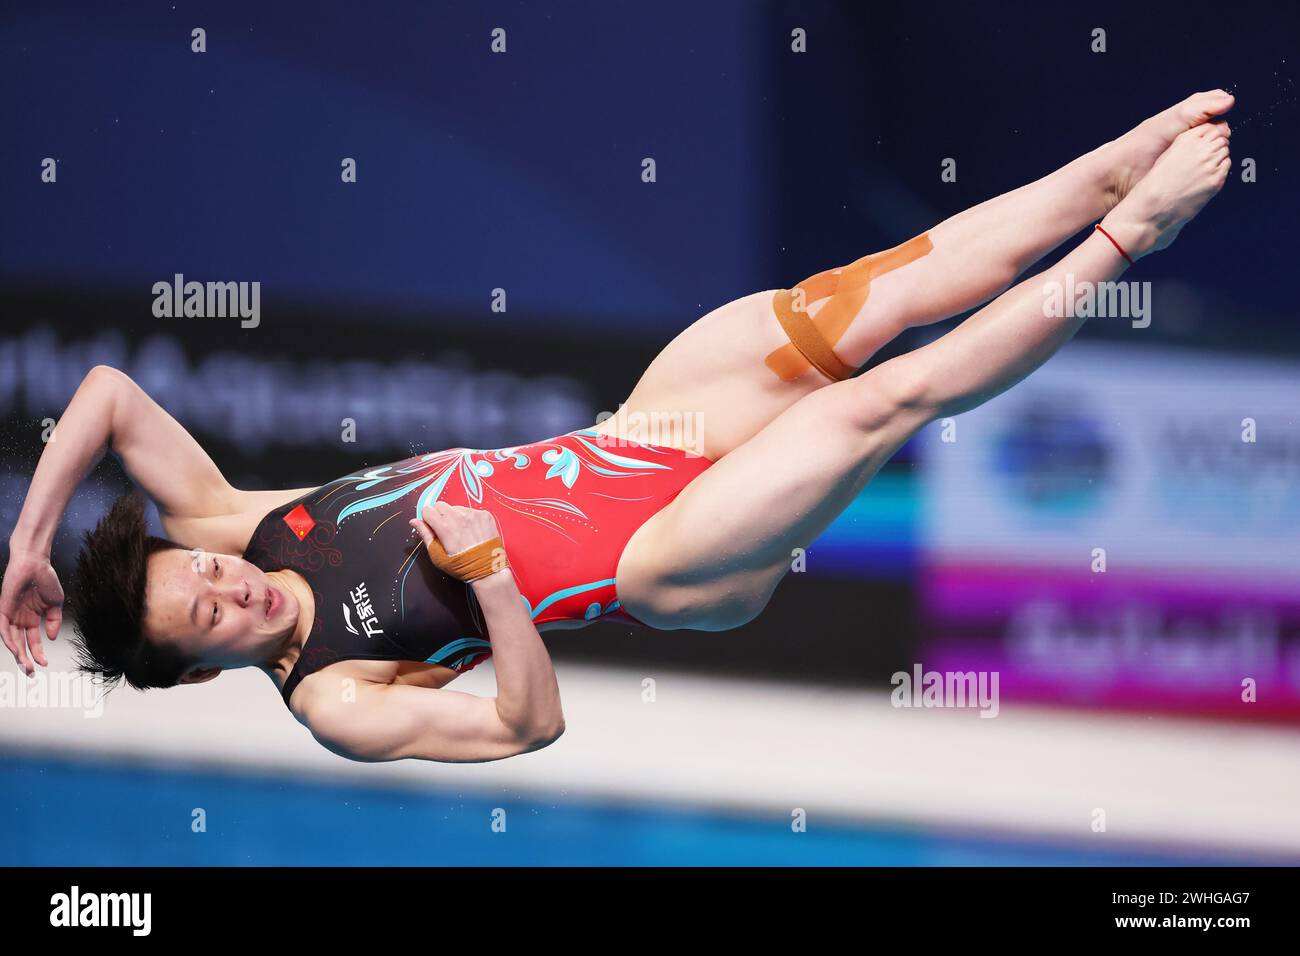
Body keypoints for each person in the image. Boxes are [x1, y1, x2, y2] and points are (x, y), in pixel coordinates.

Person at [1, 92, 1234, 762]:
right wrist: (485, 582)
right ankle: (1138, 237)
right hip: (668, 562)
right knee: (882, 398)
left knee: (886, 288)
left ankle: (1110, 166)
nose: (234, 591)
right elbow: (528, 723)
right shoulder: (334, 699)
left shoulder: (242, 523)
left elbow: (106, 392)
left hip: (644, 434)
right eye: (210, 619)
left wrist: (31, 539)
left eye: (206, 573)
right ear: (194, 667)